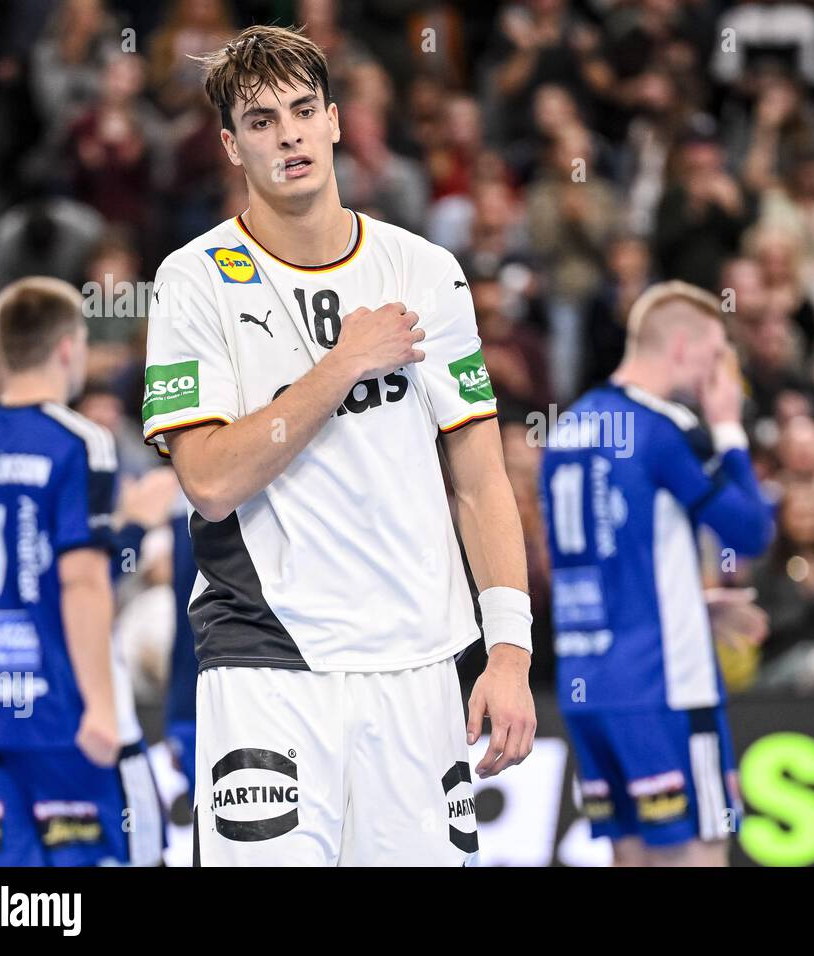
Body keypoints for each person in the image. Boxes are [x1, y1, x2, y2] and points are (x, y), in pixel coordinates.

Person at [140, 25, 535, 866]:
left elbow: (479, 480)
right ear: (231, 146)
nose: (286, 133)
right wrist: (342, 367)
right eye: (260, 120)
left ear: (334, 124)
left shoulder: (424, 269)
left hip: (421, 665)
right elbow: (208, 481)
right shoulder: (193, 280)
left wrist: (507, 649)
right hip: (269, 662)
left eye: (302, 110)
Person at [540, 281, 774, 866]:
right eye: (718, 351)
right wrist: (728, 428)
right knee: (698, 852)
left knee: (631, 856)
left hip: (589, 682)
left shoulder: (569, 427)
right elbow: (751, 530)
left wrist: (696, 608)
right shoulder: (665, 427)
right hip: (665, 684)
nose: (724, 369)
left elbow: (613, 557)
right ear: (682, 348)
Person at [0, 277, 159, 866]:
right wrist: (102, 706)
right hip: (60, 714)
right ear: (66, 346)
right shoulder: (81, 443)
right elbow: (80, 581)